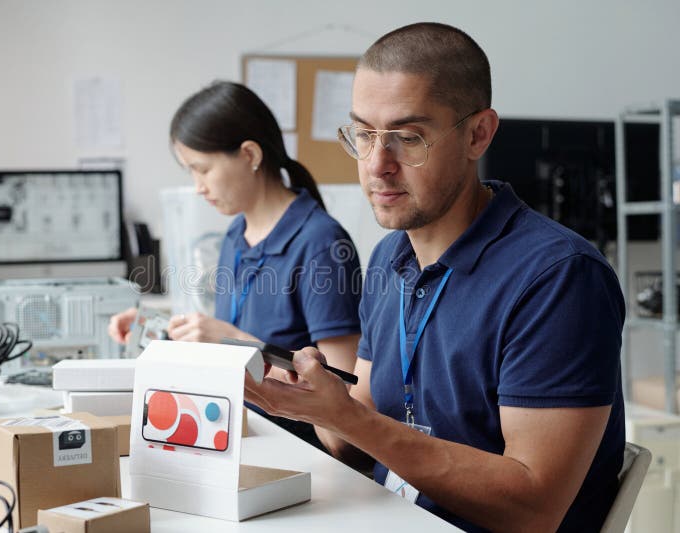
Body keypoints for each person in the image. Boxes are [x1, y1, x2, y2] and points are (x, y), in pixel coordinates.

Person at [245, 22, 624, 532]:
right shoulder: (389, 258)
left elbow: (533, 509)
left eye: (407, 138)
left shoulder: (559, 278)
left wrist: (350, 419)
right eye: (364, 135)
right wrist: (315, 403)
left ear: (478, 134)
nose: (377, 165)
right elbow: (357, 442)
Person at [109, 81, 363, 448]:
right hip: (235, 433)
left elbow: (345, 403)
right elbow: (232, 340)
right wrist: (158, 328)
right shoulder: (235, 235)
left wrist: (234, 343)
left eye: (202, 169)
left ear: (249, 155)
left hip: (297, 447)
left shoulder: (321, 244)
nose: (198, 187)